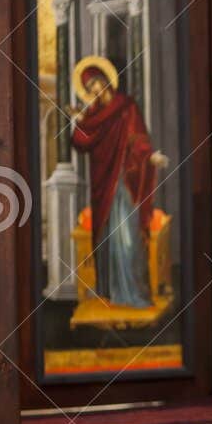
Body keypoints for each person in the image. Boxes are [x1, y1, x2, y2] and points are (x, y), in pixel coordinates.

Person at [69, 61, 169, 309]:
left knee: (126, 236)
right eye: (90, 88)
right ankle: (111, 291)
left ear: (106, 80)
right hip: (103, 182)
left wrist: (150, 155)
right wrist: (81, 120)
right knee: (105, 235)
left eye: (96, 83)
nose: (95, 90)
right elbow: (81, 143)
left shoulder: (126, 107)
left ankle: (133, 291)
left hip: (124, 178)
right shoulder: (92, 115)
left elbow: (138, 138)